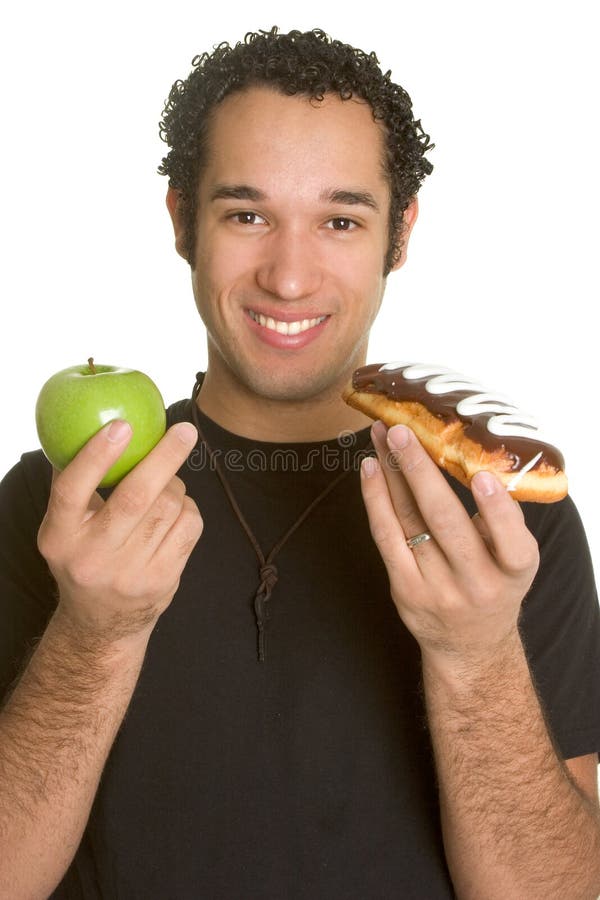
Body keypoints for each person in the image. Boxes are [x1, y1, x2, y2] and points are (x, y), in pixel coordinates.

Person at [1, 26, 599, 899]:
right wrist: (92, 640)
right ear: (181, 222)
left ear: (400, 235)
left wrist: (476, 658)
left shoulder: (502, 521)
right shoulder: (61, 505)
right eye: (247, 215)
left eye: (340, 220)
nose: (288, 277)